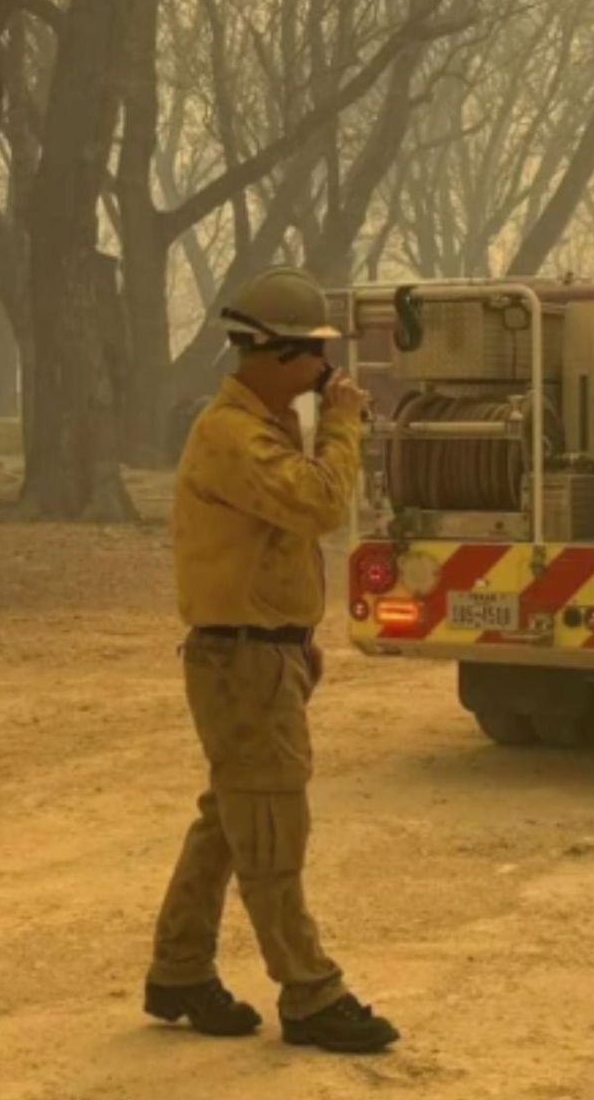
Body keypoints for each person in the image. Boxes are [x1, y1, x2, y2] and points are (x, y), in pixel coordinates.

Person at [141, 266, 400, 1054]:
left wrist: (297, 637)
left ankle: (180, 970)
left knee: (234, 818)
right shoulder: (236, 435)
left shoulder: (263, 423)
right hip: (242, 662)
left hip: (261, 655)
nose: (321, 373)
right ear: (271, 354)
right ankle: (311, 992)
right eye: (311, 358)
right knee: (274, 829)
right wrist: (344, 425)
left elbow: (273, 549)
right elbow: (320, 504)